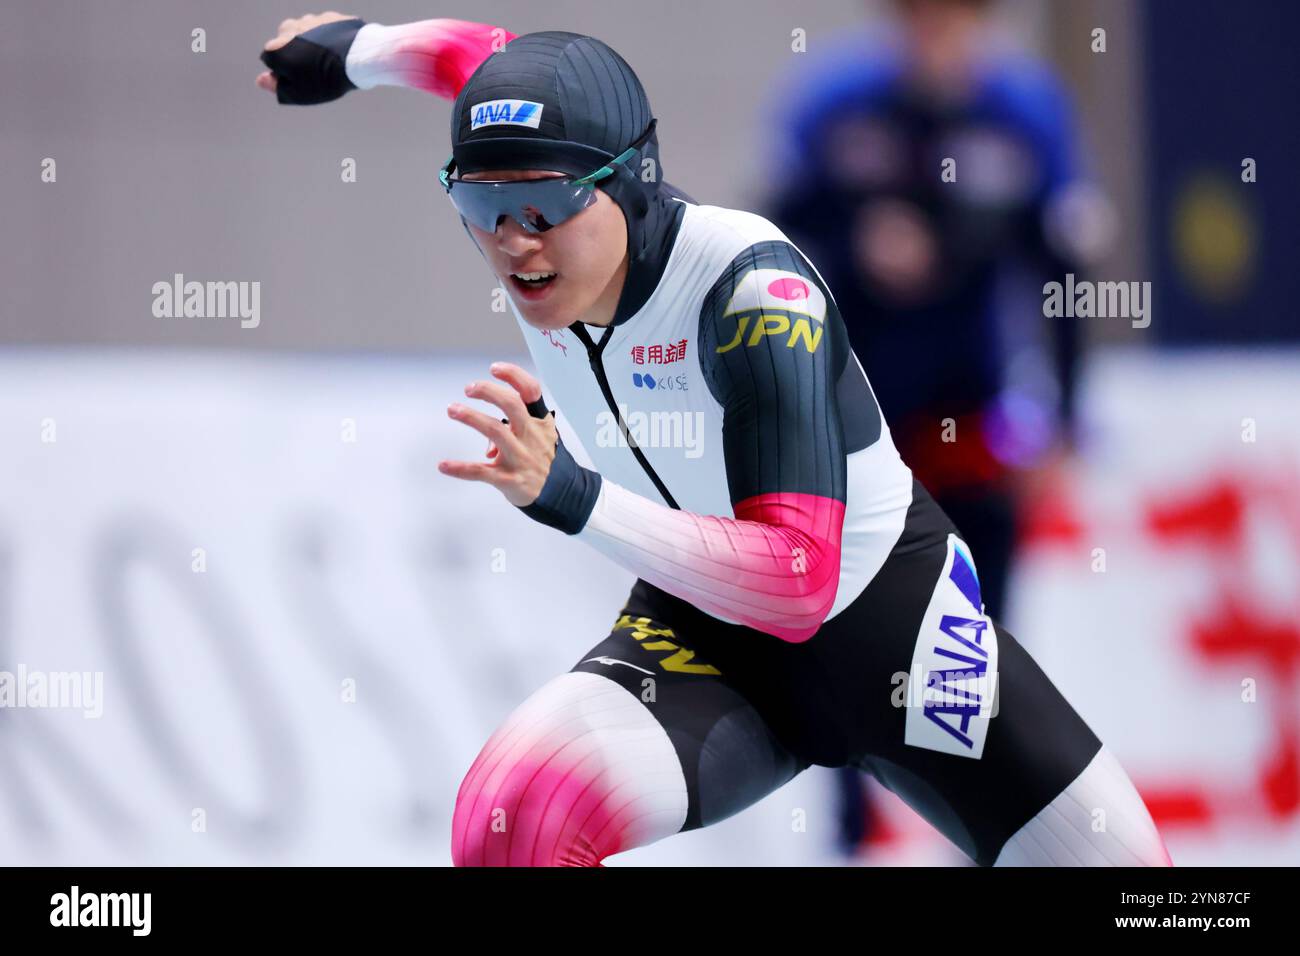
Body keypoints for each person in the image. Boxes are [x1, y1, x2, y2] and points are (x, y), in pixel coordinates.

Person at [257, 12, 1171, 867]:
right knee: (509, 822)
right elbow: (475, 57)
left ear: (627, 183)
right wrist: (351, 51)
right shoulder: (550, 216)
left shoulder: (754, 298)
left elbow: (800, 581)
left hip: (893, 640)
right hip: (705, 640)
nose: (512, 244)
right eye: (481, 206)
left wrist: (571, 495)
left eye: (542, 205)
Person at [764, 0, 1111, 857]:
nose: (937, 35)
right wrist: (854, 246)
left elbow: (1062, 273)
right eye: (921, 17)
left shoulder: (1026, 115)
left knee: (974, 644)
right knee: (842, 638)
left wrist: (1063, 421)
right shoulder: (834, 104)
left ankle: (982, 833)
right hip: (854, 417)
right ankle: (850, 839)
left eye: (954, 18)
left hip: (973, 422)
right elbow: (765, 249)